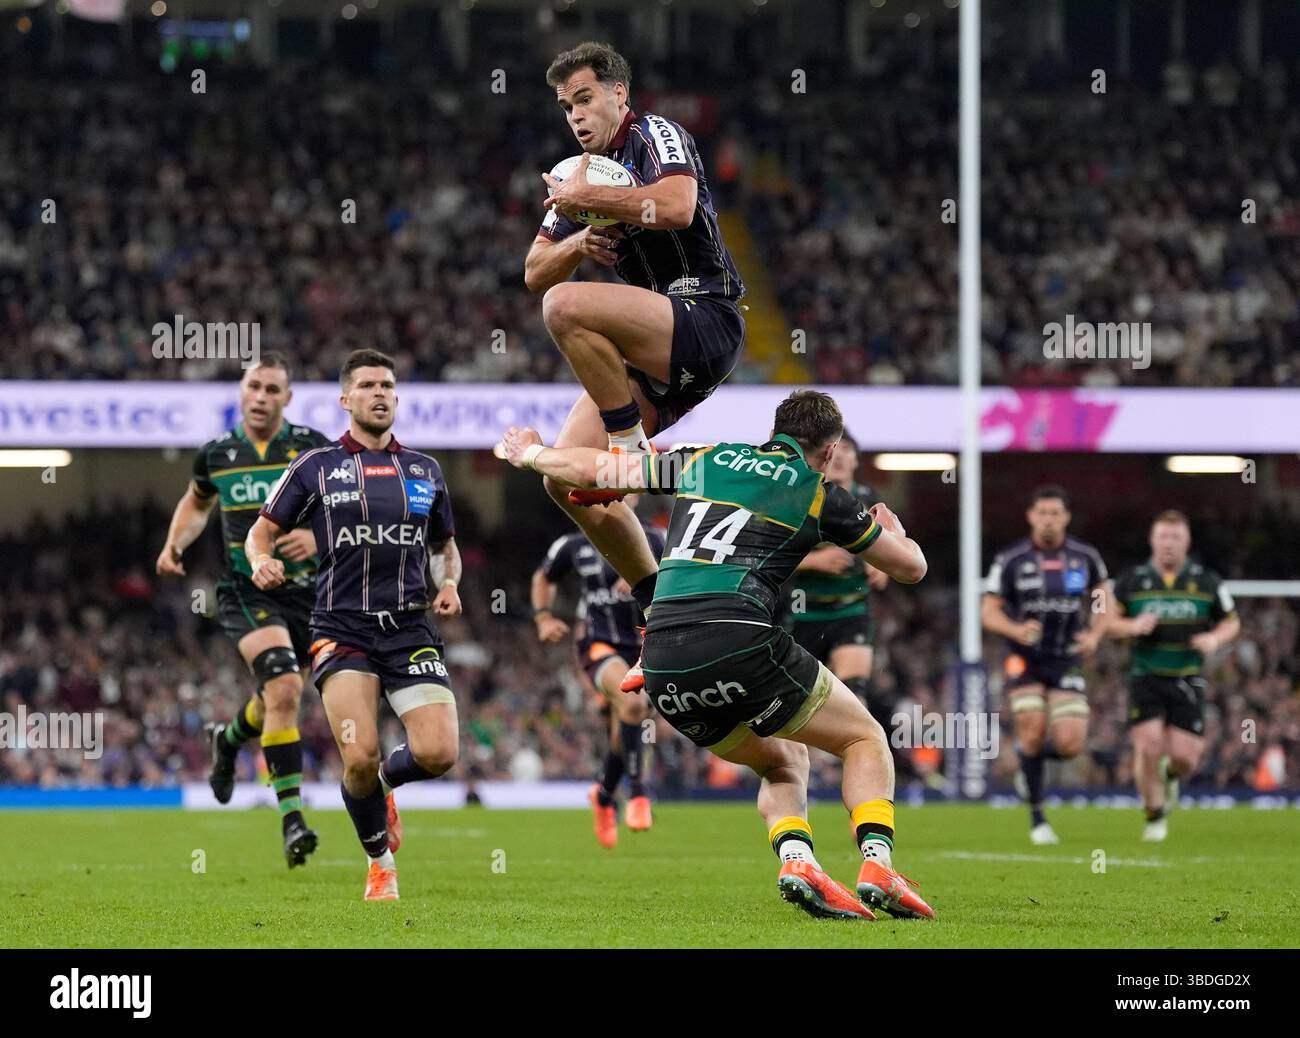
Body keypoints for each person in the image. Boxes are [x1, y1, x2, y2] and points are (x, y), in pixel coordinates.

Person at [498, 389, 935, 922]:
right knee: (864, 738)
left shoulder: (706, 459)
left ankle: (798, 862)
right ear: (829, 450)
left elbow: (593, 467)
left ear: (775, 431)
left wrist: (532, 454)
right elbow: (910, 568)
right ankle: (878, 865)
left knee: (783, 763)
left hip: (661, 658)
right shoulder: (819, 493)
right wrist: (896, 532)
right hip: (738, 638)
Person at [522, 40, 747, 648]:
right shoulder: (581, 176)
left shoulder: (653, 134)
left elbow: (676, 207)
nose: (575, 115)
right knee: (567, 482)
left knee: (566, 305)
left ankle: (629, 449)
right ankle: (659, 609)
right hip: (655, 352)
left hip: (704, 316)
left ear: (619, 94)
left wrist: (586, 201)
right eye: (567, 105)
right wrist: (576, 242)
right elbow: (535, 269)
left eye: (586, 98)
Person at [247, 349, 463, 901]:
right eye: (367, 385)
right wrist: (260, 560)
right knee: (359, 754)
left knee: (439, 753)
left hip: (410, 629)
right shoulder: (316, 467)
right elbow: (261, 531)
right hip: (341, 629)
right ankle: (380, 863)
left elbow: (445, 548)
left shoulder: (425, 471)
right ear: (346, 400)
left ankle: (388, 785)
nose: (380, 393)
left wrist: (448, 584)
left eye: (388, 384)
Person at [155, 354, 329, 868]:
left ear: (287, 398)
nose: (261, 398)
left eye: (273, 390)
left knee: (275, 697)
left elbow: (346, 506)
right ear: (241, 392)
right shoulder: (218, 454)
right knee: (284, 685)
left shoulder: (312, 449)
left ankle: (228, 741)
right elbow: (196, 503)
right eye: (254, 387)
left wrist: (315, 534)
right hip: (245, 590)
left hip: (311, 593)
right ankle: (292, 818)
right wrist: (173, 546)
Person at [532, 500, 667, 845]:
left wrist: (646, 577)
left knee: (623, 733)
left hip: (645, 645)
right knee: (634, 706)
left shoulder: (656, 539)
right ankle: (638, 794)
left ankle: (604, 796)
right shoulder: (575, 544)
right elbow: (543, 577)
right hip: (598, 643)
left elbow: (682, 575)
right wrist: (544, 617)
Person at [981, 486, 1110, 844]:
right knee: (1033, 729)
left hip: (1067, 657)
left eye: (1056, 513)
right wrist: (1016, 629)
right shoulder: (1011, 559)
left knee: (1069, 744)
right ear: (1031, 516)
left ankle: (1027, 764)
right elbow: (988, 611)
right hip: (1025, 660)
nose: (1049, 520)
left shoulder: (1085, 557)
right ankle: (1038, 818)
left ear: (1066, 517)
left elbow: (1103, 599)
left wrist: (1096, 634)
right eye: (1042, 513)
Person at [1107, 511, 1239, 842]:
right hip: (1145, 675)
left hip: (1187, 676)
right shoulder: (1132, 581)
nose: (1168, 544)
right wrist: (1132, 627)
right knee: (1148, 744)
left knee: (1186, 758)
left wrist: (1214, 639)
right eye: (1163, 537)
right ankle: (1154, 816)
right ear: (1152, 541)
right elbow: (1107, 621)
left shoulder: (1206, 581)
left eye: (1175, 537)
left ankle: (1170, 775)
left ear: (1186, 542)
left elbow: (1231, 621)